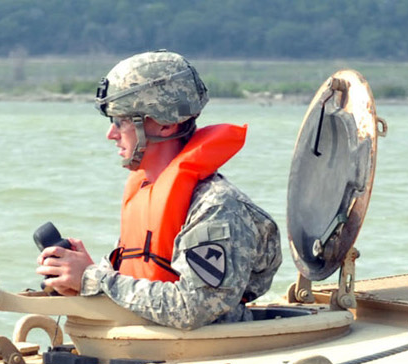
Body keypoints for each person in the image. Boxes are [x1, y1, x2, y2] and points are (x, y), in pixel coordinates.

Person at [37, 50, 282, 330]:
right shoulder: (147, 192)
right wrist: (81, 276)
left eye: (122, 121)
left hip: (205, 356)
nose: (111, 134)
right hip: (147, 347)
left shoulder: (217, 207)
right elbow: (138, 280)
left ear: (165, 124)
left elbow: (194, 307)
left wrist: (93, 279)